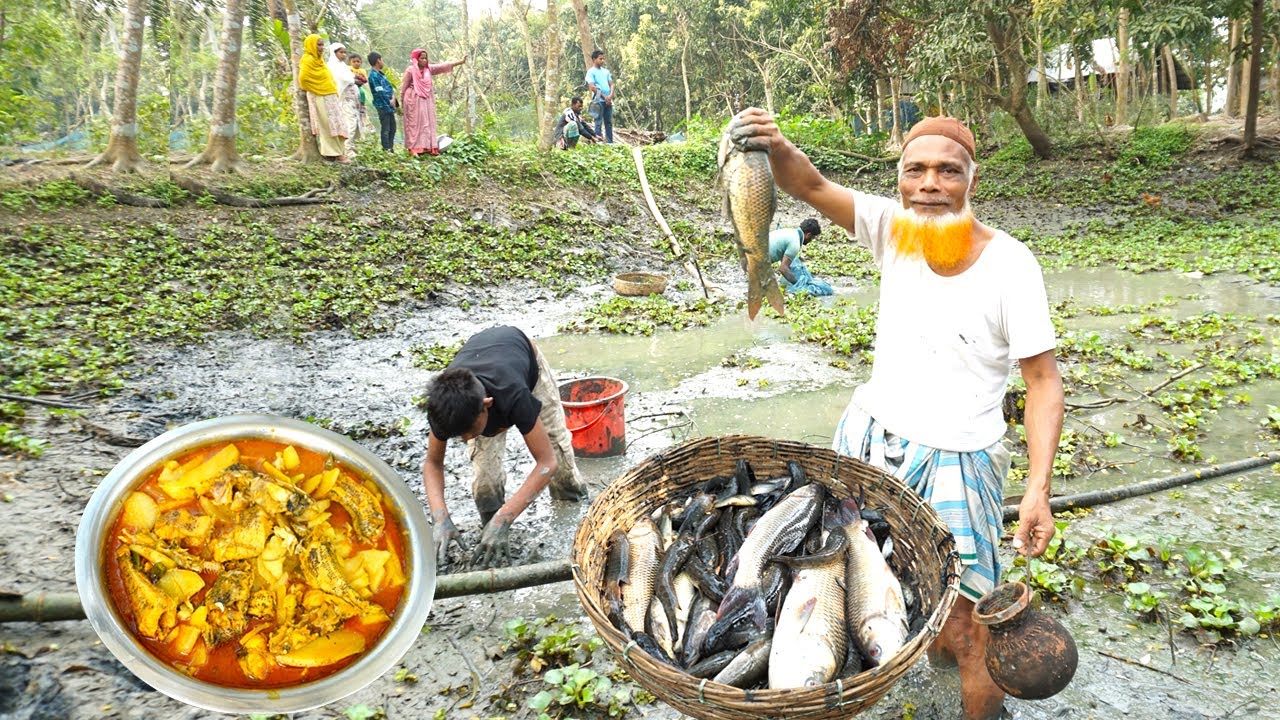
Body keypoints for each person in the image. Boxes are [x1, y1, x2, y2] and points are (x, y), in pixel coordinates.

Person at [726, 111, 1063, 720]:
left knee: (966, 628)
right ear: (901, 178)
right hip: (869, 436)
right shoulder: (892, 227)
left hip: (959, 458)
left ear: (972, 180)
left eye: (947, 171)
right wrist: (774, 143)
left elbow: (1042, 383)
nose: (929, 184)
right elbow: (808, 184)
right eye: (916, 170)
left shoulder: (1011, 266)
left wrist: (1038, 488)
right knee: (857, 590)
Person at [422, 326, 589, 569]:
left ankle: (574, 508)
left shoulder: (515, 394)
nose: (466, 438)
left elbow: (547, 463)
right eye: (459, 434)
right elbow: (432, 463)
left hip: (524, 364)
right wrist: (440, 515)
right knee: (485, 482)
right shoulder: (445, 406)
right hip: (481, 372)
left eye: (468, 431)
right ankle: (491, 537)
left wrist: (505, 518)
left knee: (559, 457)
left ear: (486, 405)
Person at [400, 48, 465, 157]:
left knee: (426, 123)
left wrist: (460, 62)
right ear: (416, 59)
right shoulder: (410, 70)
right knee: (414, 125)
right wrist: (401, 102)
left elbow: (442, 66)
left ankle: (427, 147)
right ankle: (414, 148)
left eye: (425, 58)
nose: (424, 60)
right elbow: (403, 87)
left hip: (426, 100)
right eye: (422, 58)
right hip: (413, 101)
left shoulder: (428, 69)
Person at [299, 34, 350, 162]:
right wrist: (316, 88)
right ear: (311, 45)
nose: (321, 47)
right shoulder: (308, 60)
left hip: (330, 95)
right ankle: (335, 153)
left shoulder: (320, 60)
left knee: (337, 123)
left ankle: (338, 152)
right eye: (318, 44)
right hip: (319, 96)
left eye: (322, 45)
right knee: (327, 125)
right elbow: (303, 79)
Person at [769, 218, 832, 296]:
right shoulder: (795, 243)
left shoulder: (789, 232)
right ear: (808, 235)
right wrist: (799, 285)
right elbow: (783, 268)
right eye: (812, 238)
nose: (811, 241)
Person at [327, 42, 360, 158]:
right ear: (334, 53)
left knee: (354, 123)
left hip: (352, 100)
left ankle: (351, 147)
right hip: (344, 99)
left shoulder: (343, 66)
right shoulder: (332, 66)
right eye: (341, 52)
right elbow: (342, 79)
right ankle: (347, 149)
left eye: (345, 52)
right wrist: (353, 79)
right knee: (349, 123)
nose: (344, 55)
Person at [367, 52, 398, 152]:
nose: (383, 62)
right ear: (378, 61)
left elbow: (389, 88)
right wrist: (389, 102)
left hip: (390, 106)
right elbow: (380, 92)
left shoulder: (382, 75)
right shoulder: (373, 76)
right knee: (386, 129)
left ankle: (391, 148)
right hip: (383, 106)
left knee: (392, 128)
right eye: (382, 60)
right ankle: (386, 149)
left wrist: (393, 99)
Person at [585, 50, 614, 144]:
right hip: (598, 100)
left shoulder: (606, 71)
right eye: (600, 59)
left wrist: (610, 96)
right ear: (594, 59)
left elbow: (611, 84)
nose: (602, 60)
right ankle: (599, 143)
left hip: (608, 101)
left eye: (603, 59)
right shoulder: (591, 72)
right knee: (598, 123)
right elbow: (592, 87)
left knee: (608, 123)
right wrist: (604, 97)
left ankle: (610, 143)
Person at [348, 52, 373, 139]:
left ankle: (362, 105)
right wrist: (355, 78)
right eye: (354, 61)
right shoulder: (348, 69)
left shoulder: (362, 71)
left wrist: (358, 77)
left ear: (361, 62)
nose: (356, 63)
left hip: (359, 88)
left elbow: (364, 80)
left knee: (362, 93)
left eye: (358, 61)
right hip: (351, 90)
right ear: (350, 62)